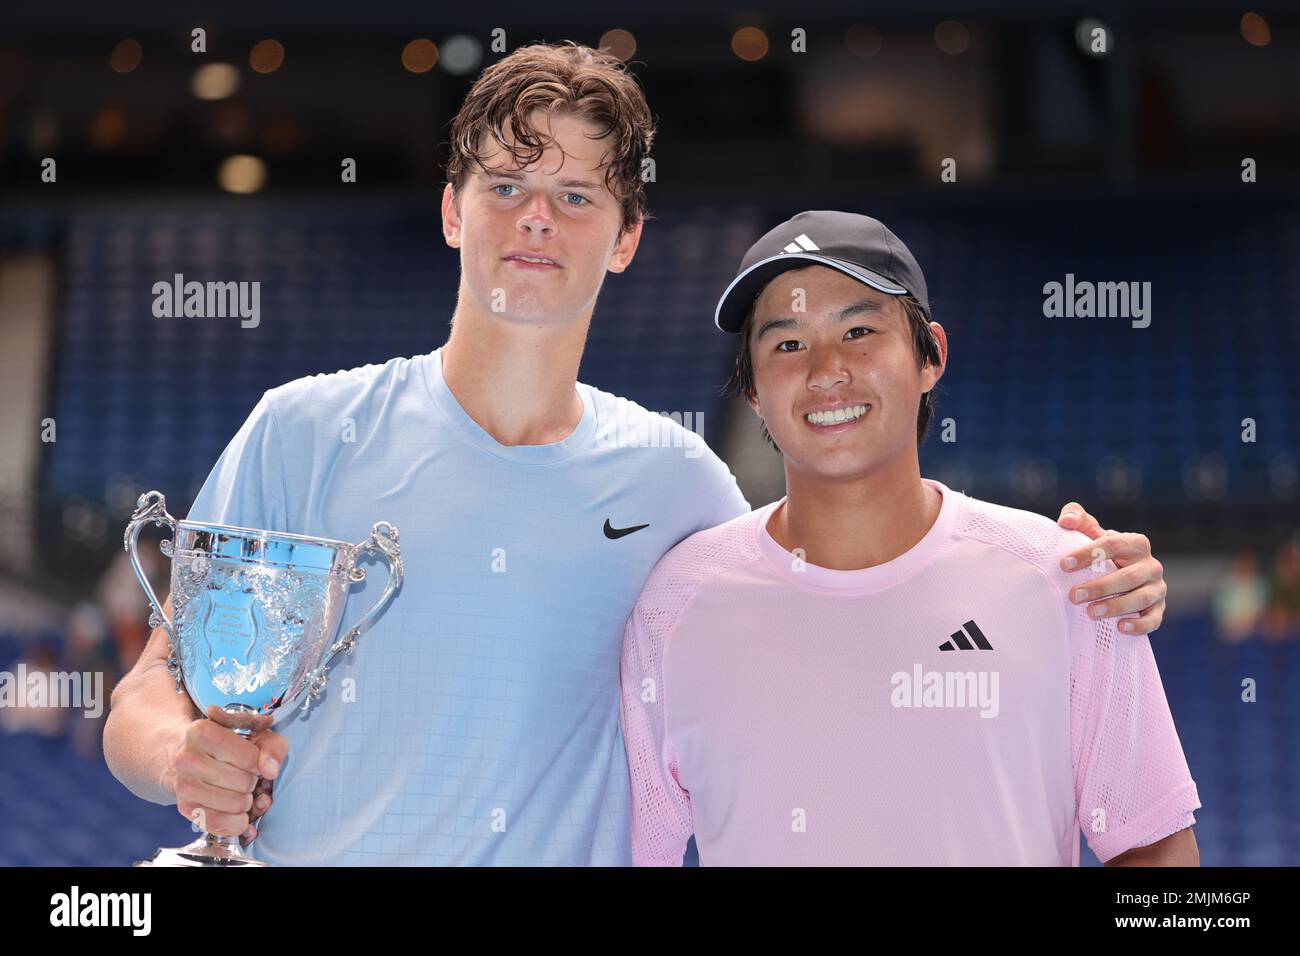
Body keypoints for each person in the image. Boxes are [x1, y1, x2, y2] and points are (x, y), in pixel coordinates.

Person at [105, 44, 1169, 866]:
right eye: (505, 184)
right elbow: (154, 690)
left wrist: (1082, 574)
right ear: (449, 210)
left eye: (577, 196)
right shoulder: (300, 431)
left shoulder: (681, 490)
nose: (537, 218)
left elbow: (849, 588)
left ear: (624, 238)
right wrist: (176, 755)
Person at [620, 210, 1197, 866]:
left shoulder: (1070, 582)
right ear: (752, 391)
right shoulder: (673, 605)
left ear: (931, 357)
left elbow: (1156, 848)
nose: (826, 370)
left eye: (860, 330)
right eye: (787, 344)